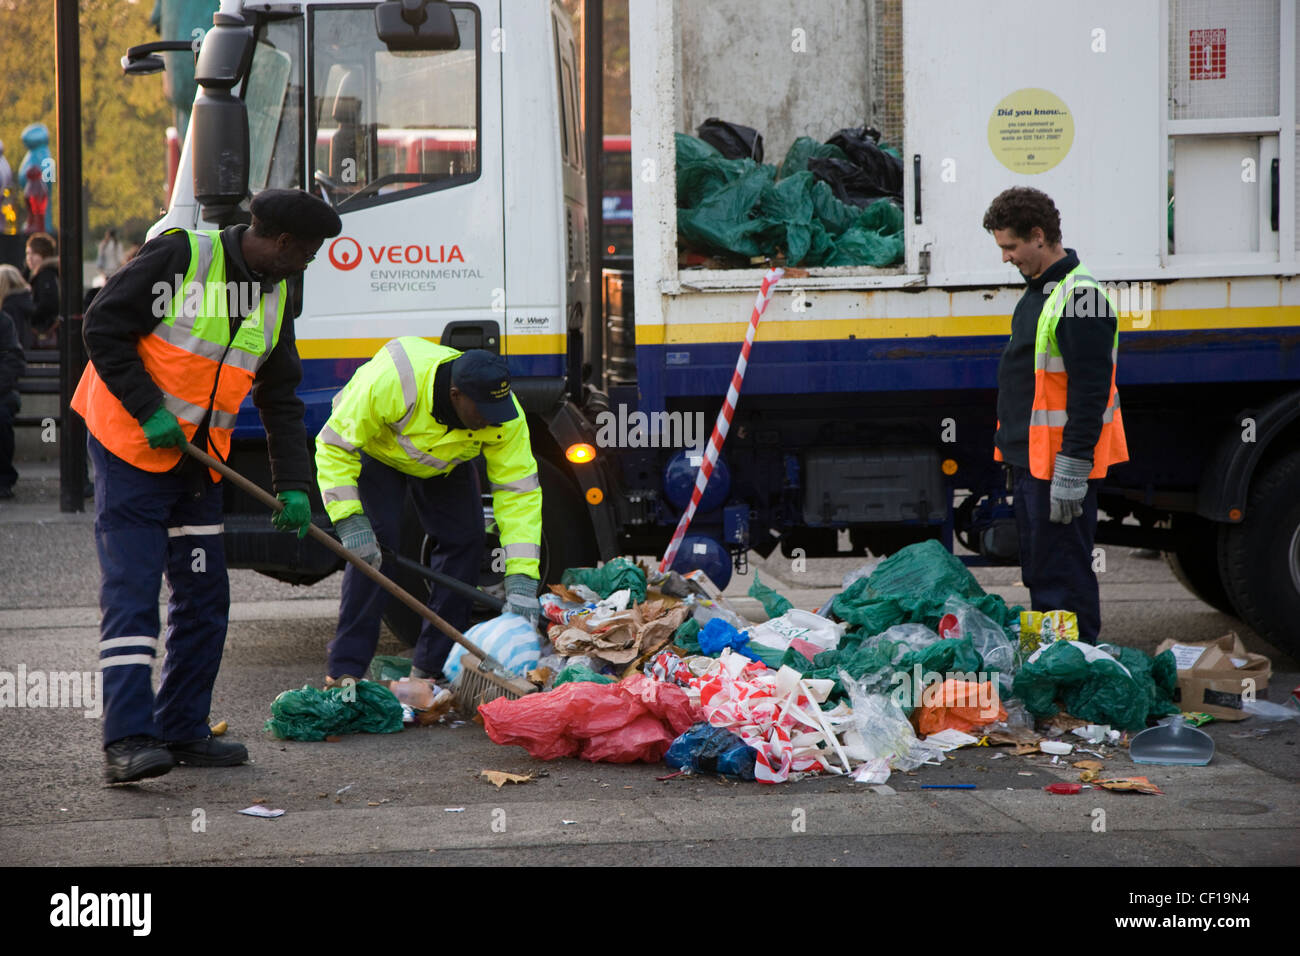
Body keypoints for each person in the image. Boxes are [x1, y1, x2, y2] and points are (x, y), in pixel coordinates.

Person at [71, 188, 342, 784]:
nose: (311, 262)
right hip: (130, 449)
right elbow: (102, 326)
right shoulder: (180, 258)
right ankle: (128, 742)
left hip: (198, 463)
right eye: (308, 251)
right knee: (134, 595)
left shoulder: (279, 295)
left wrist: (294, 484)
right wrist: (147, 409)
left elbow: (279, 396)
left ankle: (182, 728)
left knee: (203, 597)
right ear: (280, 242)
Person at [315, 339, 543, 684]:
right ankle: (344, 672)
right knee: (374, 549)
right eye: (481, 413)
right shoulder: (392, 380)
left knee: (465, 542)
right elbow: (333, 445)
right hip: (380, 452)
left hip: (445, 463)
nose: (490, 422)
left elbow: (519, 492)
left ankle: (429, 671)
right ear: (455, 395)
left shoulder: (501, 412)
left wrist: (522, 578)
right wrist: (349, 519)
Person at [983, 187, 1128, 644]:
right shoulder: (1040, 292)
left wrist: (1072, 466)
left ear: (1039, 236)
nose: (1006, 257)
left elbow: (1091, 392)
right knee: (1042, 576)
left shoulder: (1080, 297)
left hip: (1057, 468)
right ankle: (1048, 669)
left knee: (1062, 577)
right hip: (1035, 465)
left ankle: (1077, 677)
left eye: (1010, 246)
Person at [0, 267, 25, 498]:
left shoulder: (4, 322)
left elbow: (13, 361)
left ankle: (3, 479)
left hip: (3, 393)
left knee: (1, 415)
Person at [24, 231, 58, 344]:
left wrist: (29, 315)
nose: (29, 258)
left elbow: (47, 304)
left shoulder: (46, 274)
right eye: (28, 253)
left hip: (44, 330)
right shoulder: (49, 273)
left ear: (44, 254)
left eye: (34, 253)